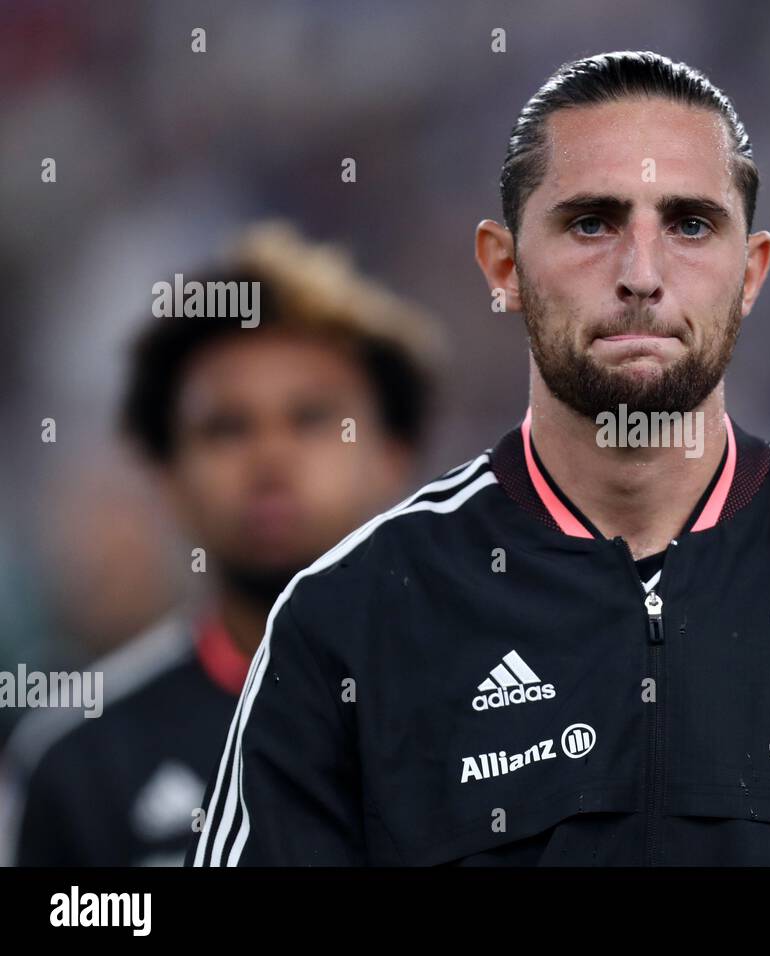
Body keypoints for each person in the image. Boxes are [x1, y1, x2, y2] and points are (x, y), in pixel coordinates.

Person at [189, 52, 770, 866]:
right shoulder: (353, 622)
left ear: (752, 272)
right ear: (503, 266)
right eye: (591, 223)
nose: (641, 273)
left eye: (690, 224)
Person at [0, 223, 442, 865]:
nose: (270, 458)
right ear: (168, 475)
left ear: (392, 455)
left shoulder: (513, 700)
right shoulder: (78, 762)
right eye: (226, 427)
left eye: (311, 418)